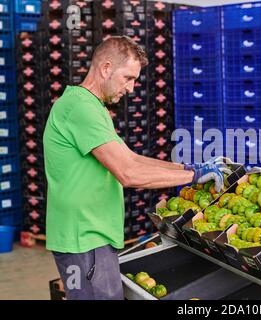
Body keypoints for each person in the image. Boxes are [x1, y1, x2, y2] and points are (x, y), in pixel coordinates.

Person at [43, 36, 225, 300]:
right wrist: (193, 176)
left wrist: (185, 167)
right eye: (128, 78)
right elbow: (128, 173)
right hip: (84, 238)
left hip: (90, 236)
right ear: (106, 68)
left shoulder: (90, 106)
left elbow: (130, 158)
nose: (131, 88)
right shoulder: (80, 108)